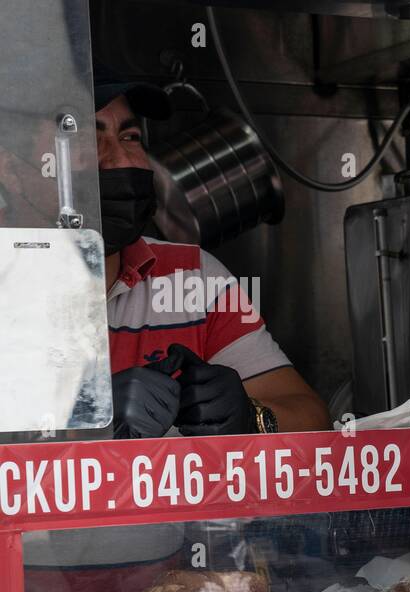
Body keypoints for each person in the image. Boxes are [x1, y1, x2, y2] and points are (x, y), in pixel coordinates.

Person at [93, 65, 328, 438]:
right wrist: (90, 415)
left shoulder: (194, 275)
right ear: (13, 164)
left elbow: (312, 419)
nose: (119, 159)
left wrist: (252, 418)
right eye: (88, 139)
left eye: (130, 135)